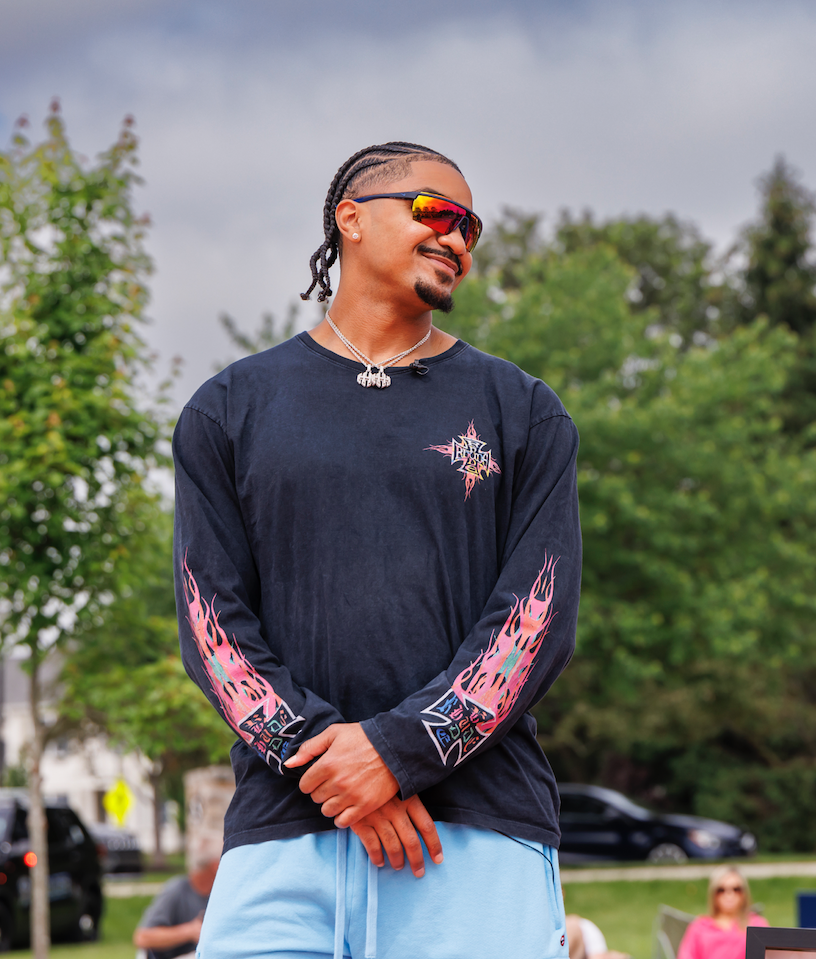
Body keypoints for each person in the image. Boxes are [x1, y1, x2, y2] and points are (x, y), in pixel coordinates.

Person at [173, 142, 581, 959]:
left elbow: (533, 620)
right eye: (435, 211)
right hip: (282, 838)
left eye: (470, 226)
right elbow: (211, 619)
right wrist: (341, 772)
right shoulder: (227, 411)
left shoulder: (522, 411)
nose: (457, 238)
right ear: (349, 219)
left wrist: (399, 752)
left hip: (471, 837)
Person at [132, 856, 218, 959]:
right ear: (215, 865)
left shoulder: (218, 894)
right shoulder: (177, 890)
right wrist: (190, 931)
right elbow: (142, 937)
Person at [676, 867, 769, 959]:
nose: (729, 894)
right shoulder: (699, 927)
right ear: (713, 893)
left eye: (736, 889)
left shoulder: (757, 925)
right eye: (721, 890)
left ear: (744, 893)